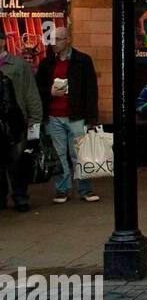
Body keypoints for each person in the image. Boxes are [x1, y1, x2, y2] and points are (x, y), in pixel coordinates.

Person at [35, 26, 100, 204]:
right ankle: (62, 190)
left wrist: (91, 118)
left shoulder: (82, 61)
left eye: (58, 39)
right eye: (52, 40)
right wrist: (50, 92)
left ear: (68, 40)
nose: (54, 44)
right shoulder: (47, 63)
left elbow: (91, 90)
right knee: (59, 154)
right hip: (54, 115)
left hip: (76, 115)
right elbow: (37, 88)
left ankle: (85, 188)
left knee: (78, 154)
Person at [0, 47, 42, 213]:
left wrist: (35, 122)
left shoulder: (18, 65)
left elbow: (30, 93)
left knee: (18, 162)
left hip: (16, 122)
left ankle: (20, 196)